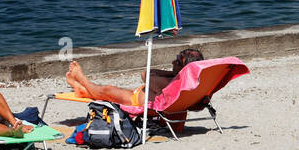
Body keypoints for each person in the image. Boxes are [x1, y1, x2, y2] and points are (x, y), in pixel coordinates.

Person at [64, 49, 205, 108]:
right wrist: (175, 73)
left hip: (135, 100)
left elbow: (146, 75)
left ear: (184, 69)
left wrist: (171, 74)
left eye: (177, 62)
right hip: (140, 94)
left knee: (107, 90)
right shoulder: (191, 83)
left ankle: (81, 80)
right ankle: (84, 91)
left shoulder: (169, 82)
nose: (173, 63)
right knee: (112, 90)